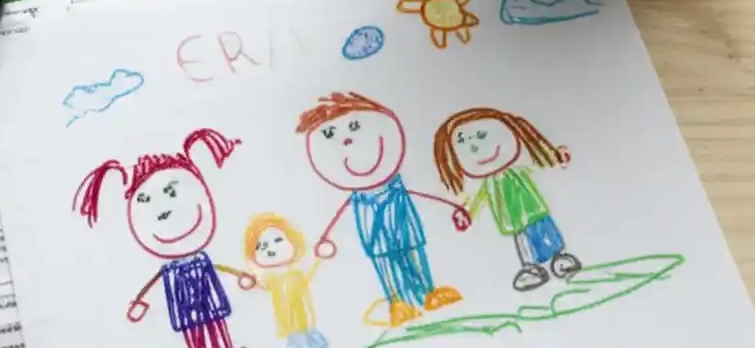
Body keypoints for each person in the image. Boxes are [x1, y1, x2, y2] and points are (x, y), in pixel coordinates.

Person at [296, 92, 470, 327]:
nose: (348, 141)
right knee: (384, 263)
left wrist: (452, 207)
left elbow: (421, 194)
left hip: (403, 221)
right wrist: (327, 237)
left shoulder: (397, 186)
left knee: (415, 252)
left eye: (355, 126)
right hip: (373, 231)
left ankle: (429, 292)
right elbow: (341, 214)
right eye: (330, 134)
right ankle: (397, 302)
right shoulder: (359, 199)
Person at [74, 128, 254, 348]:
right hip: (185, 309)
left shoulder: (200, 261)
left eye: (172, 192)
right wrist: (141, 301)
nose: (165, 212)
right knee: (193, 335)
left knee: (217, 326)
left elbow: (220, 268)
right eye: (145, 200)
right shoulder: (171, 270)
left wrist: (239, 275)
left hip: (210, 301)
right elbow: (155, 282)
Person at [432, 106, 581, 291]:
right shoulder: (489, 184)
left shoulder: (518, 170)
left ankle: (559, 257)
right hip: (512, 219)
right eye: (465, 146)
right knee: (523, 241)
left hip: (534, 210)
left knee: (546, 233)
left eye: (483, 136)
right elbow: (479, 200)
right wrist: (468, 214)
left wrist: (556, 158)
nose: (479, 149)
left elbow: (537, 165)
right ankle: (530, 268)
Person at [241, 213, 329, 348]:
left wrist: (321, 254)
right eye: (262, 246)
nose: (272, 249)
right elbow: (257, 283)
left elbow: (312, 267)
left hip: (308, 326)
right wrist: (248, 280)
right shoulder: (270, 278)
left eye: (278, 240)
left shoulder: (298, 272)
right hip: (288, 330)